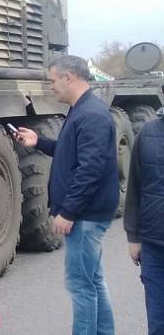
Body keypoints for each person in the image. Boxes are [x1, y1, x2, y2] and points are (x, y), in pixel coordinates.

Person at [16, 55, 119, 335]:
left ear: (68, 78)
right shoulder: (82, 110)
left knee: (80, 285)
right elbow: (71, 153)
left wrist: (68, 211)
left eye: (53, 81)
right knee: (93, 281)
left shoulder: (92, 115)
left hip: (85, 216)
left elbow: (90, 170)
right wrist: (40, 142)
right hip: (87, 213)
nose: (52, 87)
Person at [124, 107, 164, 335]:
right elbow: (135, 189)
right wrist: (133, 236)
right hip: (154, 246)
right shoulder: (147, 133)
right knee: (158, 322)